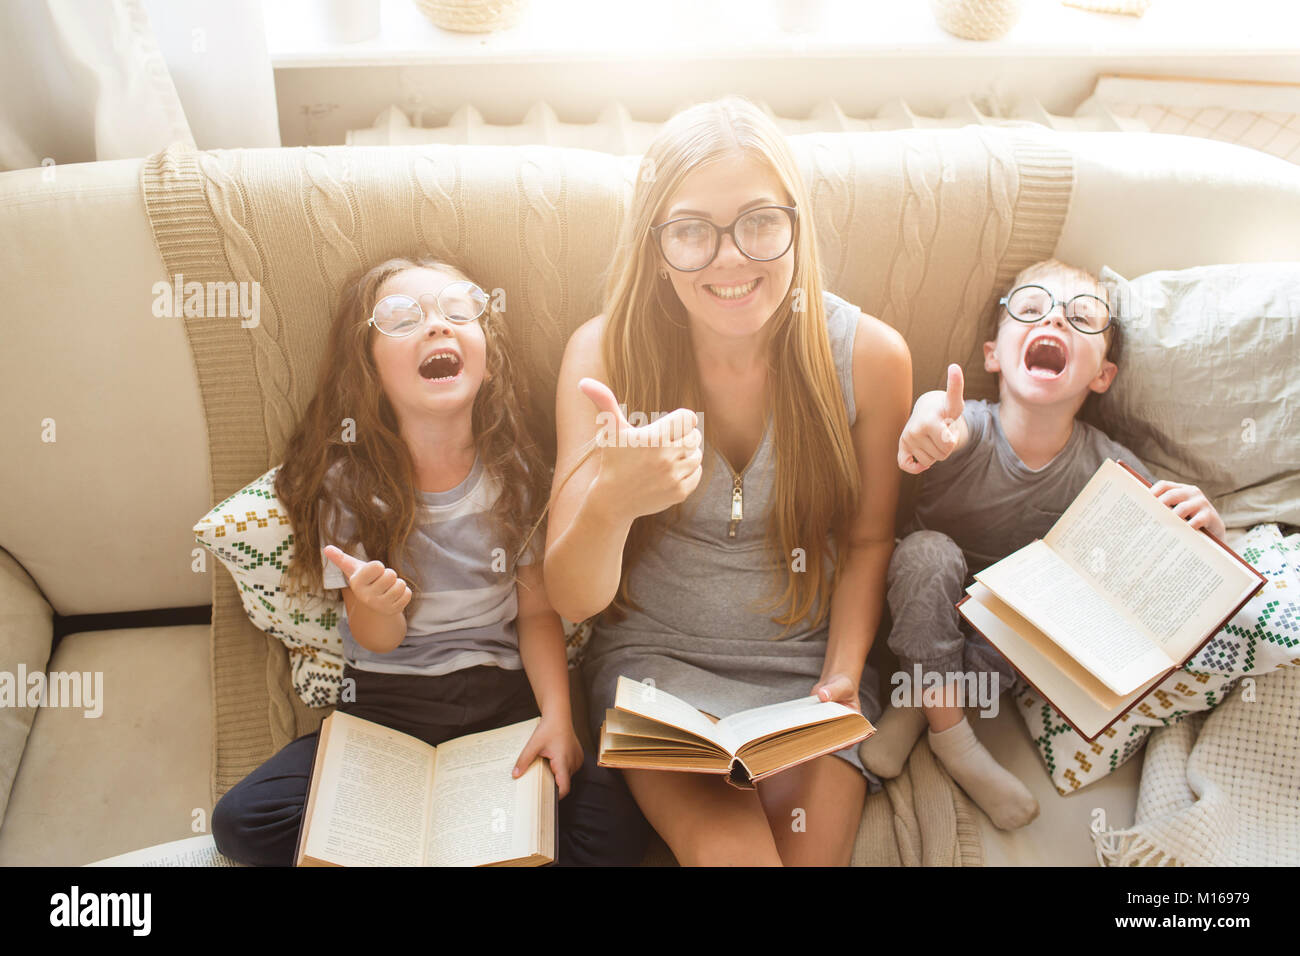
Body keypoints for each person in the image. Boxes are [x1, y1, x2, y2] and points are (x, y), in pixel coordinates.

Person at [543, 96, 912, 866]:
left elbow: (870, 537)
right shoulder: (604, 355)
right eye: (690, 232)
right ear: (655, 247)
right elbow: (573, 599)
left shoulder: (872, 358)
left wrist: (843, 676)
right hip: (657, 674)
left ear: (796, 225)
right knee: (731, 855)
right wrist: (612, 500)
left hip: (808, 676)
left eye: (758, 222)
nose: (730, 259)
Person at [211, 255, 608, 866]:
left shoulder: (522, 475)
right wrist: (373, 604)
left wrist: (559, 721)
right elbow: (375, 640)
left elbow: (536, 617)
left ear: (488, 350)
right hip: (382, 708)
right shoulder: (347, 485)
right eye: (402, 317)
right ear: (367, 365)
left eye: (458, 310)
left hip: (503, 705)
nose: (437, 326)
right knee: (244, 820)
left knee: (614, 824)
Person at [859, 258, 1226, 830]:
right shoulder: (968, 425)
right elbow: (938, 419)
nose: (1054, 321)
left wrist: (1211, 533)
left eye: (1081, 318)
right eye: (1031, 310)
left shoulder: (1112, 468)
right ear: (992, 355)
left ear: (1103, 374)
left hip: (1005, 639)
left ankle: (920, 706)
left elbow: (1176, 557)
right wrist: (927, 422)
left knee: (1062, 594)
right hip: (921, 607)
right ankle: (953, 739)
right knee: (927, 552)